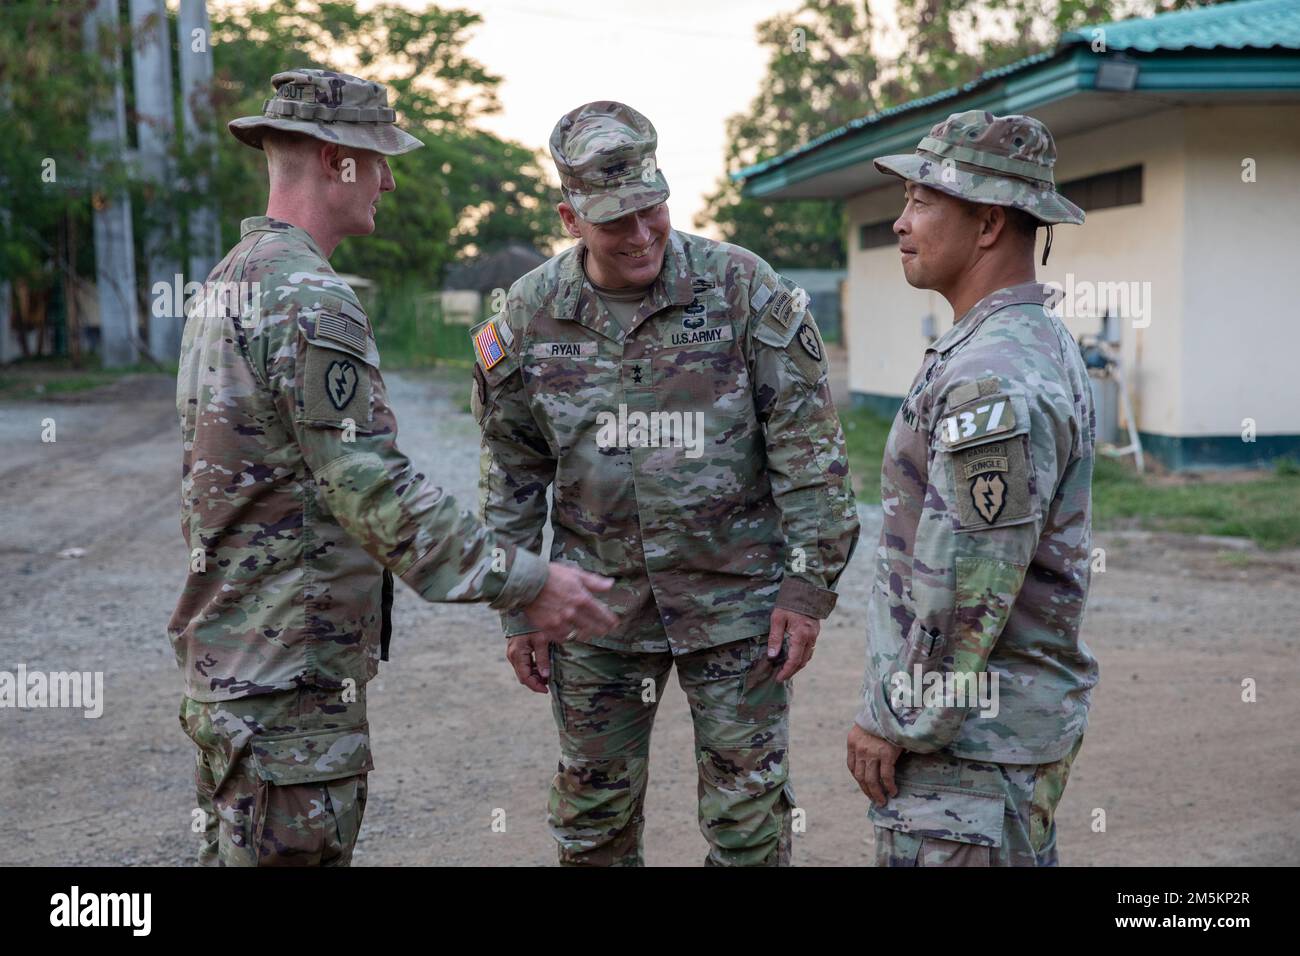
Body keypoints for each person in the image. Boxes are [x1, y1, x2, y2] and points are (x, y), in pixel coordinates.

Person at [169, 69, 616, 866]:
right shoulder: (309, 298)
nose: (388, 177)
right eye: (377, 157)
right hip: (287, 681)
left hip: (237, 667)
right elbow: (370, 487)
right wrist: (527, 580)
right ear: (334, 158)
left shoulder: (230, 280)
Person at [473, 101, 860, 866]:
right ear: (569, 217)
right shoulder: (527, 314)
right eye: (615, 220)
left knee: (749, 825)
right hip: (594, 611)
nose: (642, 233)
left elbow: (808, 449)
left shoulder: (741, 288)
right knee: (593, 823)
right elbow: (512, 470)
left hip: (737, 606)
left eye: (652, 208)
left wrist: (808, 588)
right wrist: (518, 605)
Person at [845, 109, 1100, 867]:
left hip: (969, 753)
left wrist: (894, 720)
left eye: (922, 201)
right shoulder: (1019, 342)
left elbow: (965, 589)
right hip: (988, 742)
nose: (900, 223)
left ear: (988, 223)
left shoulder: (993, 374)